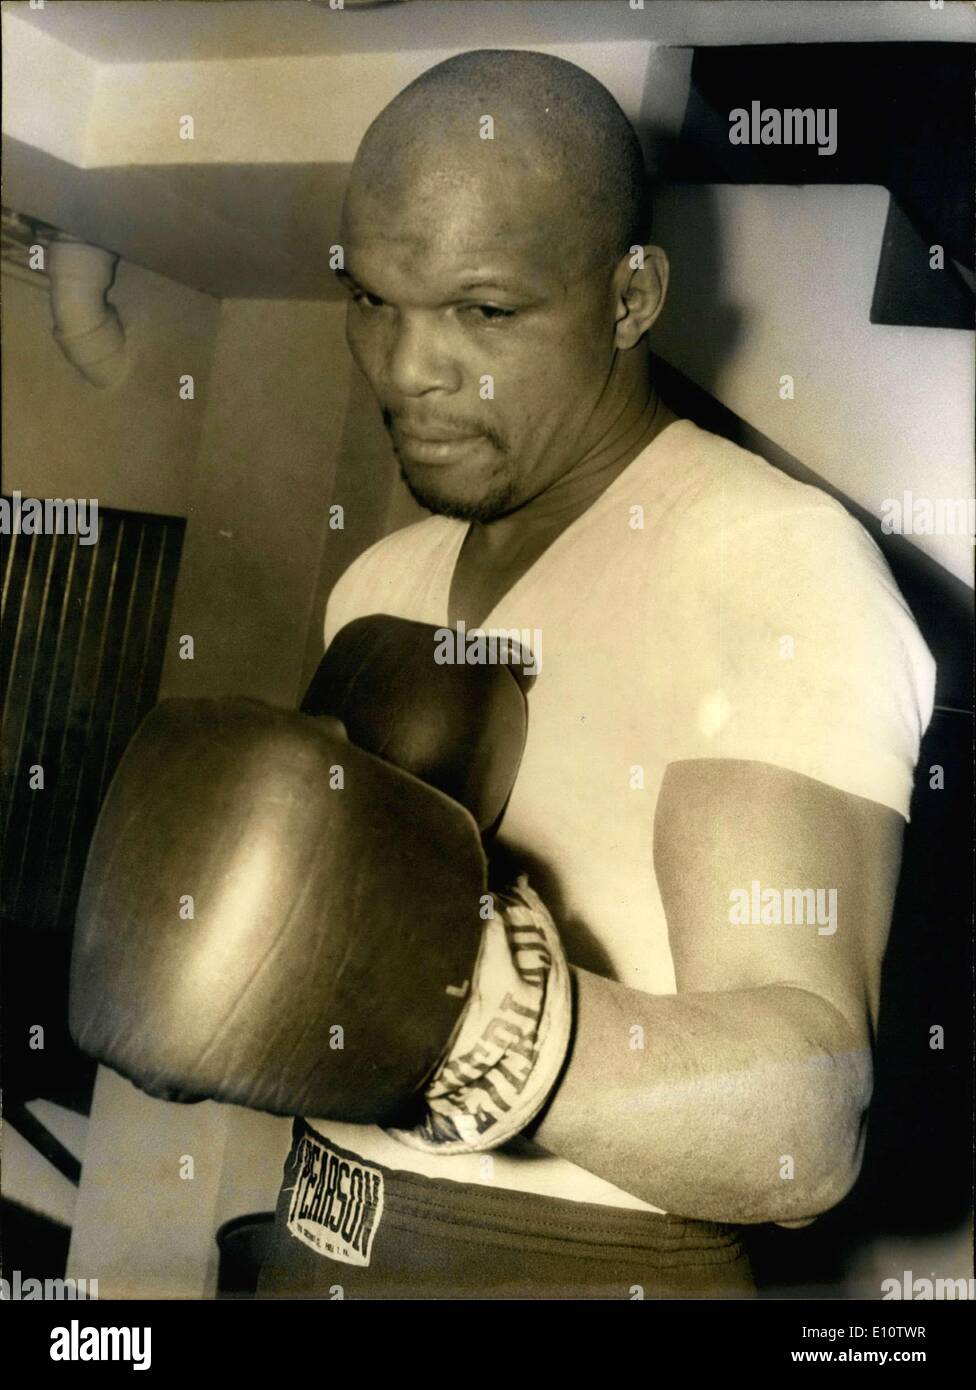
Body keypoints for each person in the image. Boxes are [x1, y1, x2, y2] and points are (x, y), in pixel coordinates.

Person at [256, 48, 935, 1299]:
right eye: (372, 300)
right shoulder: (380, 579)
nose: (407, 369)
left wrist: (490, 1028)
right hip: (312, 1238)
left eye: (484, 311)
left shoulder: (769, 562)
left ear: (631, 298)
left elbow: (807, 1121)